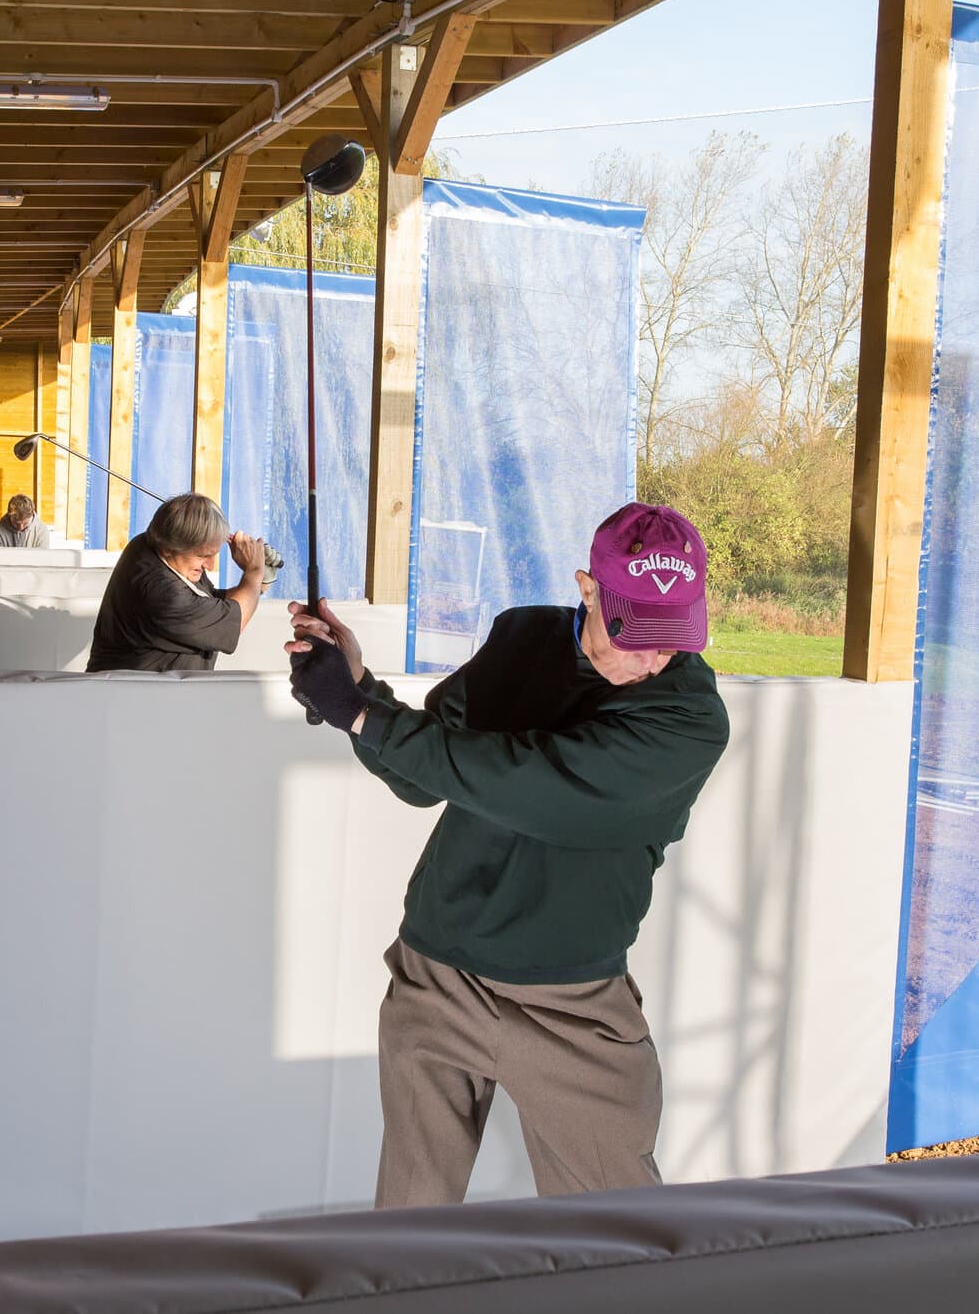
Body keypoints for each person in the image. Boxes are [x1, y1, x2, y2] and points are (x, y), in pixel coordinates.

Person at [286, 502, 730, 1207]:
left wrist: (364, 713)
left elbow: (531, 785)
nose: (654, 658)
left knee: (620, 1245)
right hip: (438, 976)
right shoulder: (523, 638)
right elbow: (418, 774)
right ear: (589, 588)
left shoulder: (689, 719)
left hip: (574, 1008)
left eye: (673, 637)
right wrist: (354, 685)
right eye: (634, 632)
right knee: (408, 1237)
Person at [86, 492, 270, 672]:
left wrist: (259, 581)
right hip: (132, 699)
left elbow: (207, 602)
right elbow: (233, 622)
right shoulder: (162, 594)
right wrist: (254, 571)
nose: (210, 565)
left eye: (213, 555)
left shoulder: (153, 547)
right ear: (168, 548)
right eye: (203, 556)